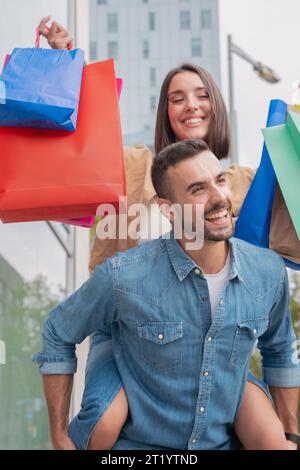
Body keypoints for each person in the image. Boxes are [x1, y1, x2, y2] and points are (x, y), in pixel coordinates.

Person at [35, 18, 300, 450]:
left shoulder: (247, 185)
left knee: (271, 438)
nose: (190, 106)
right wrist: (63, 66)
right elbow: (83, 150)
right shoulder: (135, 168)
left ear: (215, 105)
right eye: (177, 98)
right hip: (128, 338)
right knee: (104, 424)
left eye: (201, 95)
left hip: (217, 343)